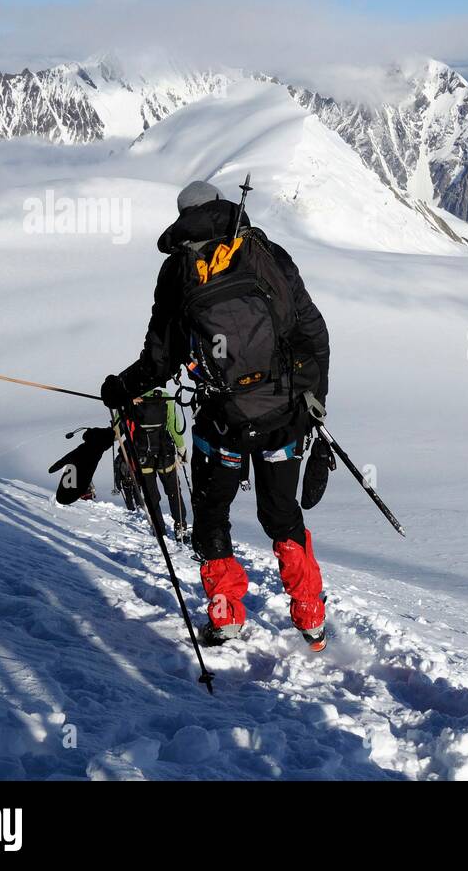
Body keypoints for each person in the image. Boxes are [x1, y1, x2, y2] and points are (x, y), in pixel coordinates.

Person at [100, 180, 331, 651]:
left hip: (221, 420)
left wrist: (120, 388)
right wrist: (313, 399)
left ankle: (225, 612)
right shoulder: (267, 253)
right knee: (283, 515)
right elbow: (311, 331)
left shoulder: (178, 271)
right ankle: (309, 615)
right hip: (282, 413)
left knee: (211, 514)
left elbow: (159, 360)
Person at [122, 389, 188, 544]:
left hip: (142, 453)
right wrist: (181, 448)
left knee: (151, 495)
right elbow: (173, 424)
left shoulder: (130, 398)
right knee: (173, 490)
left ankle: (159, 530)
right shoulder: (165, 396)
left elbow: (120, 425)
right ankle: (181, 527)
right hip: (164, 450)